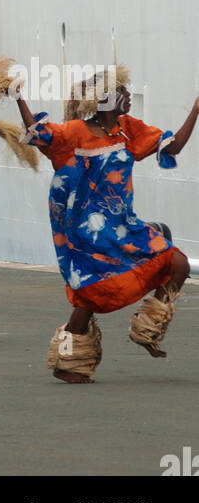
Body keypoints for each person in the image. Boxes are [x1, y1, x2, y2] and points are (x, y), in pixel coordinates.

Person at [17, 66, 198, 383]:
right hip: (88, 230)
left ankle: (147, 329)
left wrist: (196, 110)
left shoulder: (129, 129)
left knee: (177, 263)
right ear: (102, 101)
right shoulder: (74, 132)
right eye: (121, 92)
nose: (128, 97)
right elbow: (38, 133)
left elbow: (173, 147)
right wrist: (18, 96)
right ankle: (68, 363)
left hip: (125, 225)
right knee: (90, 295)